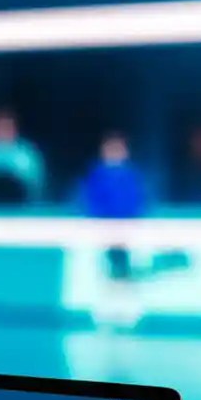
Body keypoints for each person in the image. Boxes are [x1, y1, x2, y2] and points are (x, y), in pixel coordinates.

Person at [82, 131, 148, 329]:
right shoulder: (96, 175)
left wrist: (129, 225)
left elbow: (138, 201)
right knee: (106, 270)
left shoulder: (132, 176)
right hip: (103, 231)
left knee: (125, 270)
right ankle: (104, 309)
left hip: (126, 231)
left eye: (118, 148)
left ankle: (129, 310)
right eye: (110, 148)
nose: (114, 152)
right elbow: (90, 201)